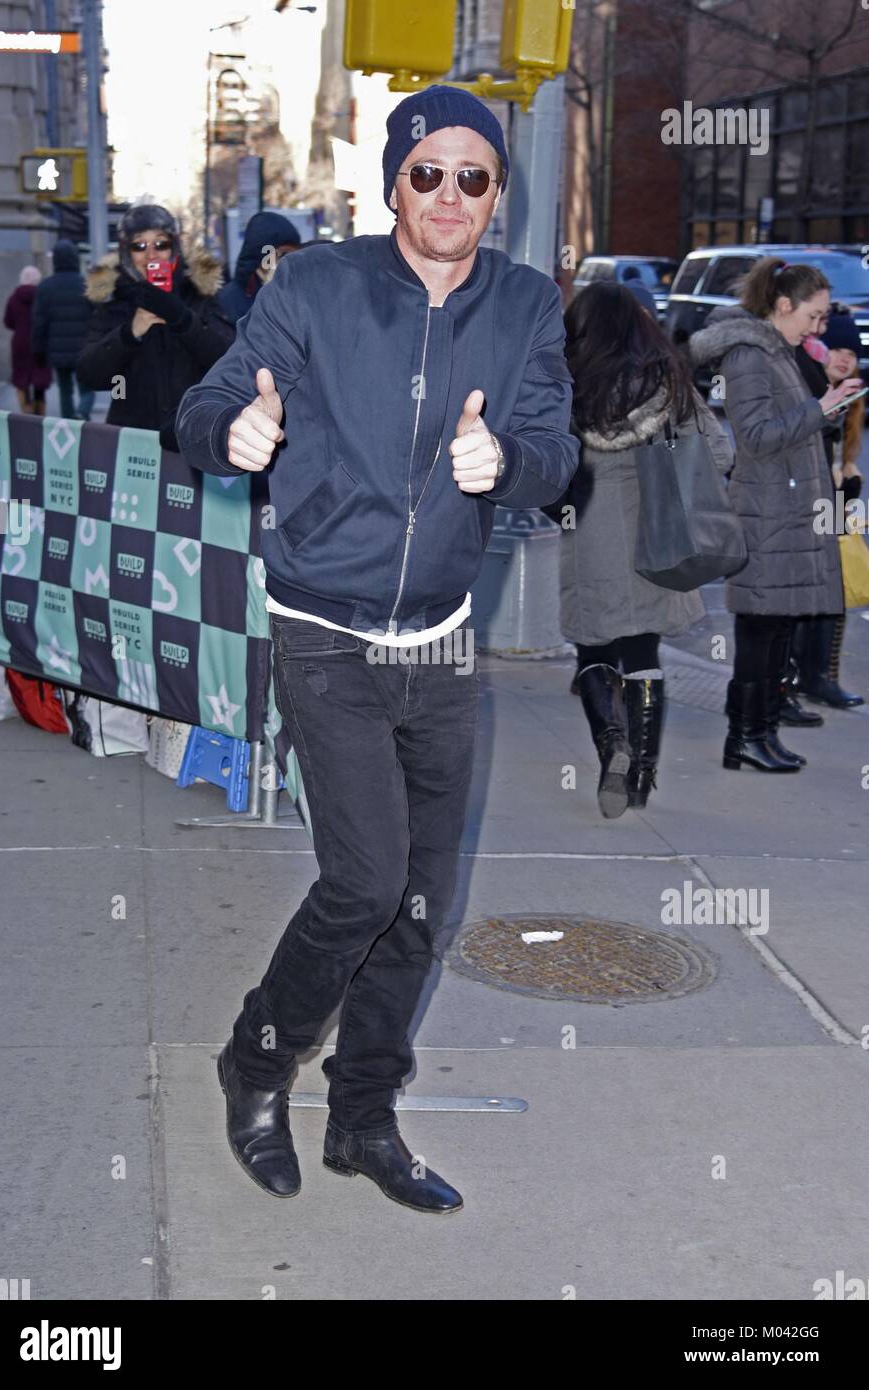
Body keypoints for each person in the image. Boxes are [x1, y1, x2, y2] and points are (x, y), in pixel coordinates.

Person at [175, 86, 578, 1213]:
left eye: (475, 177)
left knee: (418, 906)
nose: (449, 196)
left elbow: (556, 449)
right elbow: (204, 408)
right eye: (427, 172)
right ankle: (256, 1061)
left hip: (441, 643)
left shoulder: (525, 303)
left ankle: (363, 1117)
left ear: (498, 194)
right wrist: (233, 432)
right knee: (363, 880)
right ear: (394, 179)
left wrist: (506, 460)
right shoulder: (314, 284)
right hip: (326, 630)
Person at [551, 282, 732, 817]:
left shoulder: (567, 384)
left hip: (589, 535)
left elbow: (546, 466)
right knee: (643, 655)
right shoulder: (669, 379)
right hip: (659, 538)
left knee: (593, 650)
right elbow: (719, 453)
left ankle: (613, 748)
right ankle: (643, 778)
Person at [689, 258, 863, 774]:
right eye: (814, 315)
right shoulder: (750, 356)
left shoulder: (781, 352)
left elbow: (789, 424)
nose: (820, 327)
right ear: (783, 305)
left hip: (786, 514)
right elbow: (758, 436)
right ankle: (744, 737)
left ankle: (762, 732)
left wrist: (825, 392)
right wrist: (823, 406)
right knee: (761, 634)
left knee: (777, 631)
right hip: (767, 515)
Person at [76, 202, 235, 444]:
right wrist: (129, 333)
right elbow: (89, 375)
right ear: (126, 251)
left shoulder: (199, 293)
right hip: (133, 442)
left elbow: (228, 360)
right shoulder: (113, 299)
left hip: (193, 438)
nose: (151, 255)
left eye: (161, 244)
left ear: (174, 248)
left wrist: (183, 320)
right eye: (139, 245)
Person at [791, 312, 865, 709]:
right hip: (804, 504)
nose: (843, 358)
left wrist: (849, 487)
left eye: (851, 352)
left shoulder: (851, 399)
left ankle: (821, 675)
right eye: (836, 348)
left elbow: (840, 462)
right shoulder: (812, 393)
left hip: (828, 506)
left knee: (832, 591)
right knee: (811, 593)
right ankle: (804, 676)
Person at [31, 239, 94, 421]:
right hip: (84, 348)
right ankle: (82, 413)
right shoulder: (86, 284)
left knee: (65, 390)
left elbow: (39, 323)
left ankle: (68, 422)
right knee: (87, 388)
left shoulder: (45, 287)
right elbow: (97, 317)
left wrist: (38, 351)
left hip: (57, 350)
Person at [216, 210, 301, 325]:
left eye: (295, 255)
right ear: (261, 254)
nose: (290, 262)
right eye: (284, 254)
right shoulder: (228, 300)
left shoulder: (294, 294)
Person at [3, 266, 51, 415]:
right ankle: (39, 413)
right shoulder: (43, 296)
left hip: (20, 343)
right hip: (40, 342)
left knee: (21, 377)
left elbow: (7, 322)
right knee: (39, 377)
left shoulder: (13, 298)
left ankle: (26, 410)